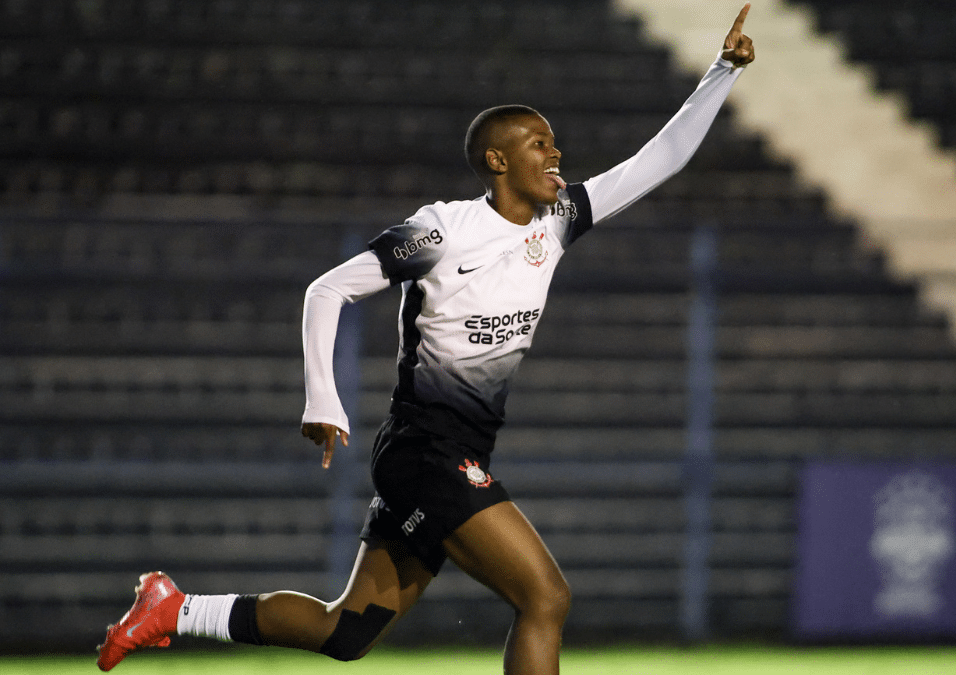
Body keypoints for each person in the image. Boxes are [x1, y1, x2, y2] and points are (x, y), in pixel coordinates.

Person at [96, 5, 755, 673]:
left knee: (344, 632)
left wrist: (722, 72)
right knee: (546, 597)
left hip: (447, 452)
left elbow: (660, 159)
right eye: (539, 143)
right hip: (427, 453)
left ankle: (171, 607)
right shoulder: (441, 230)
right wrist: (322, 399)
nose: (556, 154)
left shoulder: (559, 219)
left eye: (555, 143)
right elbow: (326, 290)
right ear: (497, 160)